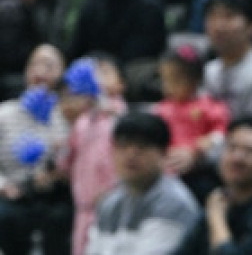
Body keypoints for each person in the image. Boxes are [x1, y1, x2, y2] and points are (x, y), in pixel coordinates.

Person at [86, 111, 200, 254]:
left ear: (163, 153)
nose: (131, 154)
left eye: (142, 146)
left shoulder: (174, 203)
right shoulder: (110, 203)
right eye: (123, 145)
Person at [174, 117, 252, 255]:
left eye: (250, 151)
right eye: (231, 148)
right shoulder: (219, 201)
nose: (237, 158)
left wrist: (217, 220)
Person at [0, 44, 70, 255]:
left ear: (61, 74)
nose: (40, 71)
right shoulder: (4, 113)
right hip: (13, 192)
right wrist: (3, 186)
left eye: (49, 65)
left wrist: (58, 172)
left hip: (54, 194)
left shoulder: (67, 115)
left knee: (62, 218)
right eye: (34, 64)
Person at [57, 57, 125, 255]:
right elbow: (65, 164)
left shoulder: (120, 115)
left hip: (113, 204)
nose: (97, 79)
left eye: (104, 73)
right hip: (83, 208)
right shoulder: (82, 122)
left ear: (120, 83)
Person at [154, 47, 230, 201]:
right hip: (166, 168)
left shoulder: (210, 107)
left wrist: (198, 149)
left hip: (198, 169)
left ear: (195, 80)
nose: (168, 86)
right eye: (165, 79)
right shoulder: (162, 108)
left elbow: (219, 135)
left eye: (175, 80)